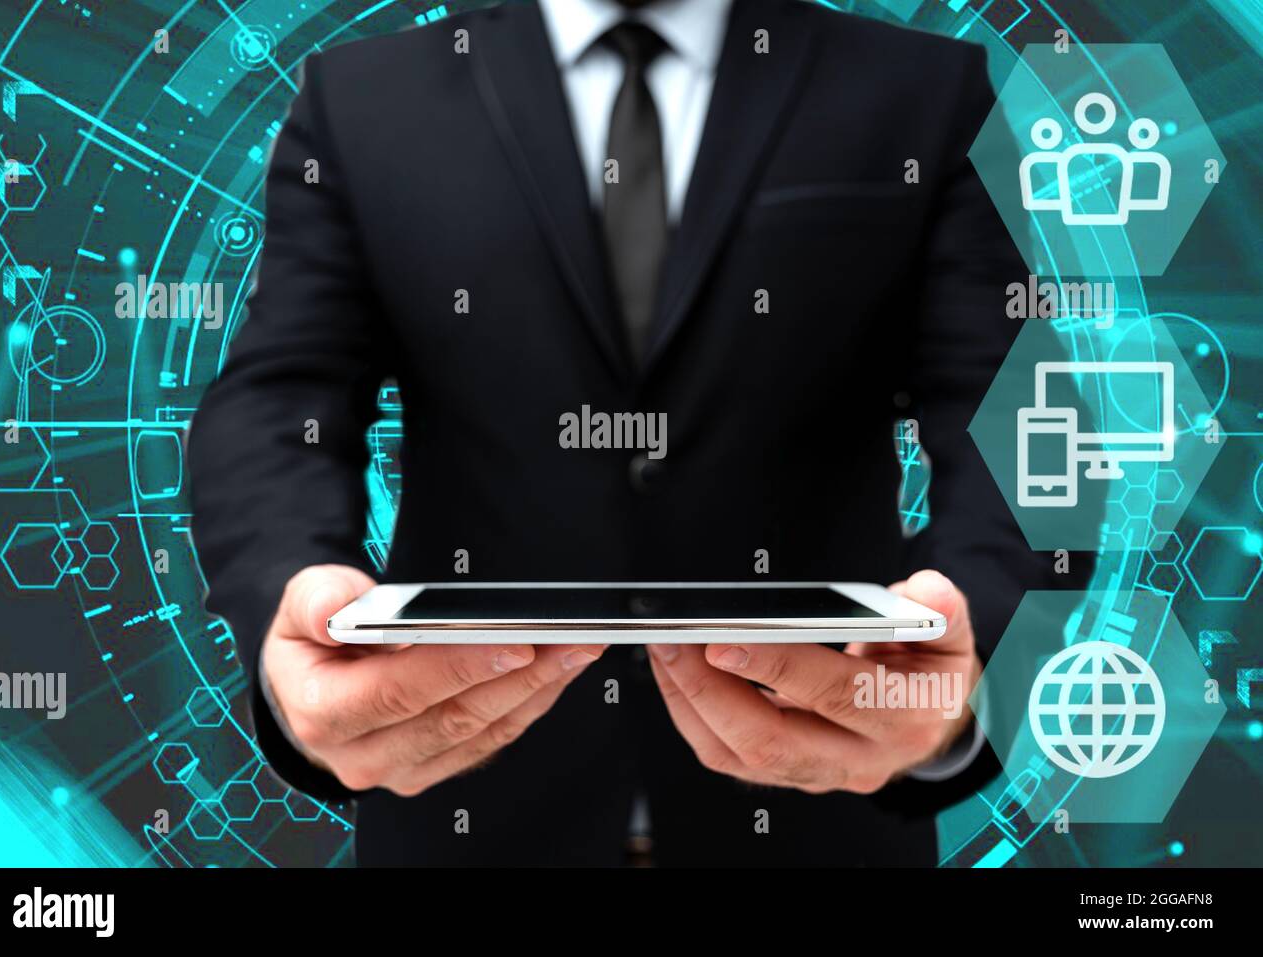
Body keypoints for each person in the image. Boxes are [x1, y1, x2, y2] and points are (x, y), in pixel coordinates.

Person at [186, 0, 1089, 866]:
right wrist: (289, 606)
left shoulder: (919, 90)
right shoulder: (362, 98)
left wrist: (961, 683)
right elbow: (277, 397)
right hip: (468, 817)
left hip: (824, 824)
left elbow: (1022, 415)